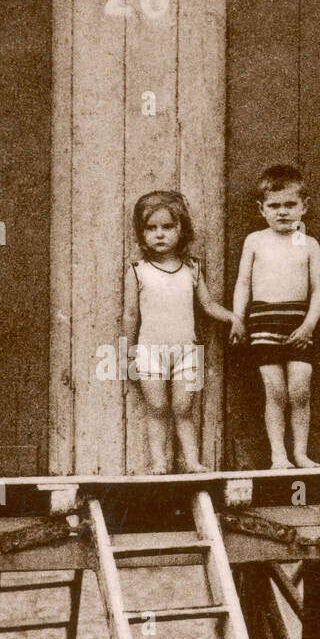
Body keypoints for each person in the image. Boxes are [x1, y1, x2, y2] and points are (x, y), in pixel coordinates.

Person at [124, 190, 244, 473]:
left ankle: (191, 461)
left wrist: (232, 317)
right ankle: (159, 462)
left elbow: (208, 304)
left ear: (182, 229)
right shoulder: (138, 270)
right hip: (150, 351)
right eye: (151, 228)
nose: (159, 234)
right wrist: (127, 353)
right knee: (156, 407)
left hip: (187, 351)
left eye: (167, 226)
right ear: (142, 233)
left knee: (183, 407)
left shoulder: (192, 268)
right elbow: (130, 315)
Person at [231, 165, 320, 468]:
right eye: (274, 206)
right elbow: (243, 283)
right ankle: (278, 456)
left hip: (298, 325)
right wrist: (237, 318)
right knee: (275, 392)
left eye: (289, 204)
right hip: (263, 325)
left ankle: (300, 453)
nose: (282, 212)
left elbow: (319, 288)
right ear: (261, 209)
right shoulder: (255, 240)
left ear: (304, 207)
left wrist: (309, 325)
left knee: (300, 390)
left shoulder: (309, 244)